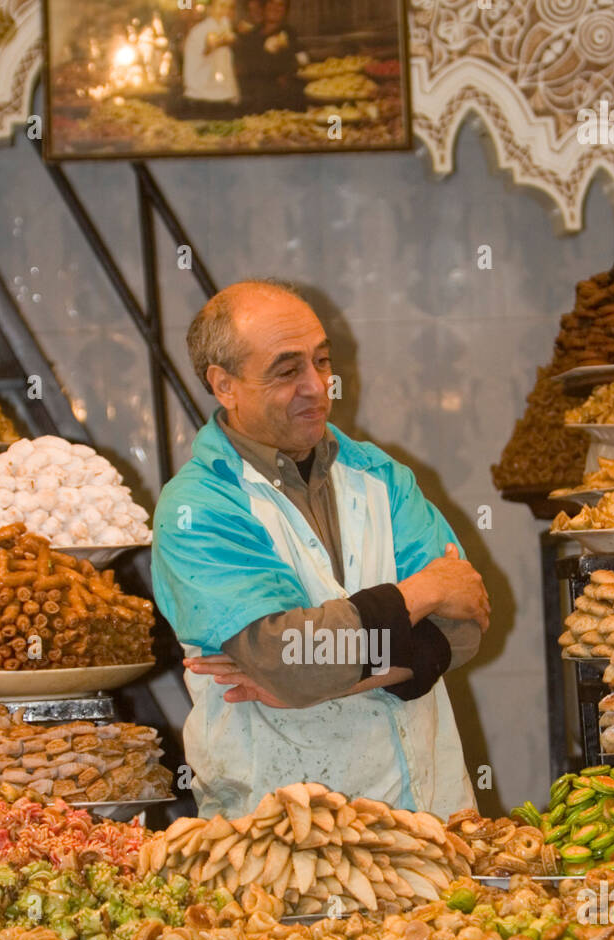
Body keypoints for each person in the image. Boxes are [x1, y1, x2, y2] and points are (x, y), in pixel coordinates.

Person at [152, 279, 490, 819]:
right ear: (224, 384)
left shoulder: (383, 476)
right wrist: (422, 595)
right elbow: (286, 660)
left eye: (322, 361)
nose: (318, 387)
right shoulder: (199, 506)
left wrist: (332, 674)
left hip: (428, 816)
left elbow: (465, 628)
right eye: (288, 371)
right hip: (283, 838)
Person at [242, 0, 305, 113]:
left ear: (285, 11)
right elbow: (247, 64)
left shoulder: (290, 34)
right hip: (254, 100)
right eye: (271, 3)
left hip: (280, 101)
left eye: (281, 5)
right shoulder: (253, 34)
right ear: (264, 6)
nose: (275, 8)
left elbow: (302, 60)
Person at [182, 0, 240, 110]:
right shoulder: (202, 30)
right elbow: (210, 43)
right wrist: (224, 40)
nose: (226, 11)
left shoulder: (224, 26)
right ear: (210, 8)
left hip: (222, 97)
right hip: (203, 99)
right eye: (222, 6)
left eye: (230, 7)